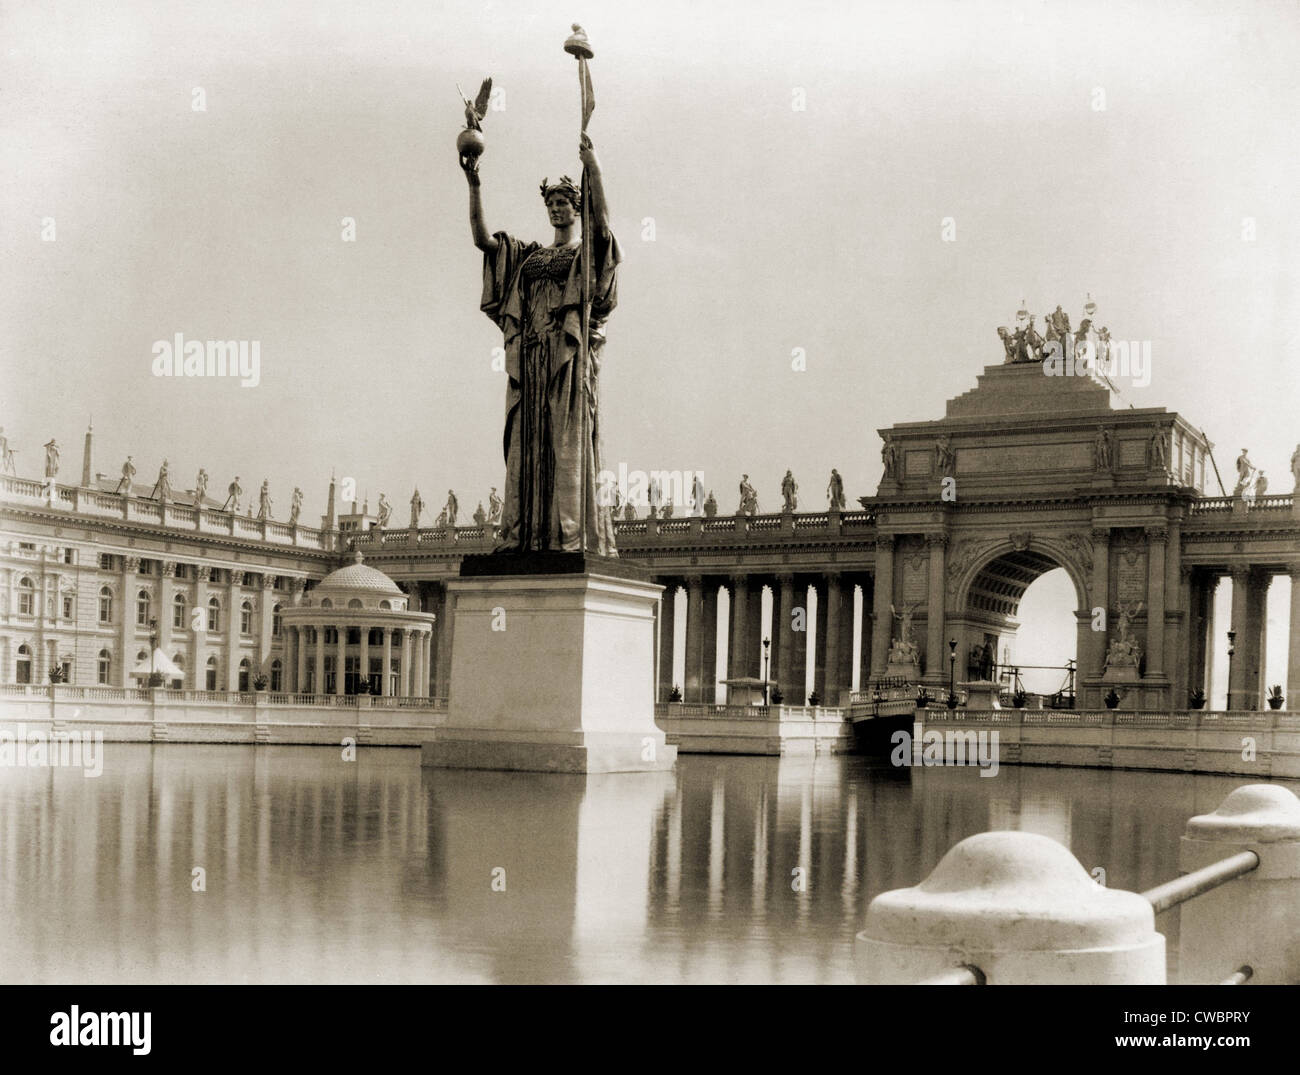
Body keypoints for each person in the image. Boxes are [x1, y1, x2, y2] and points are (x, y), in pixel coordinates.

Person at [465, 129, 620, 554]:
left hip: (565, 362)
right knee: (526, 450)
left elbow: (604, 232)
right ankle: (525, 536)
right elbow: (481, 238)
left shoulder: (583, 254)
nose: (556, 210)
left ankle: (567, 538)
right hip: (531, 360)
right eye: (550, 204)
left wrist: (595, 168)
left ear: (576, 208)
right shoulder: (528, 256)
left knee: (566, 444)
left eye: (564, 203)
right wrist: (473, 180)